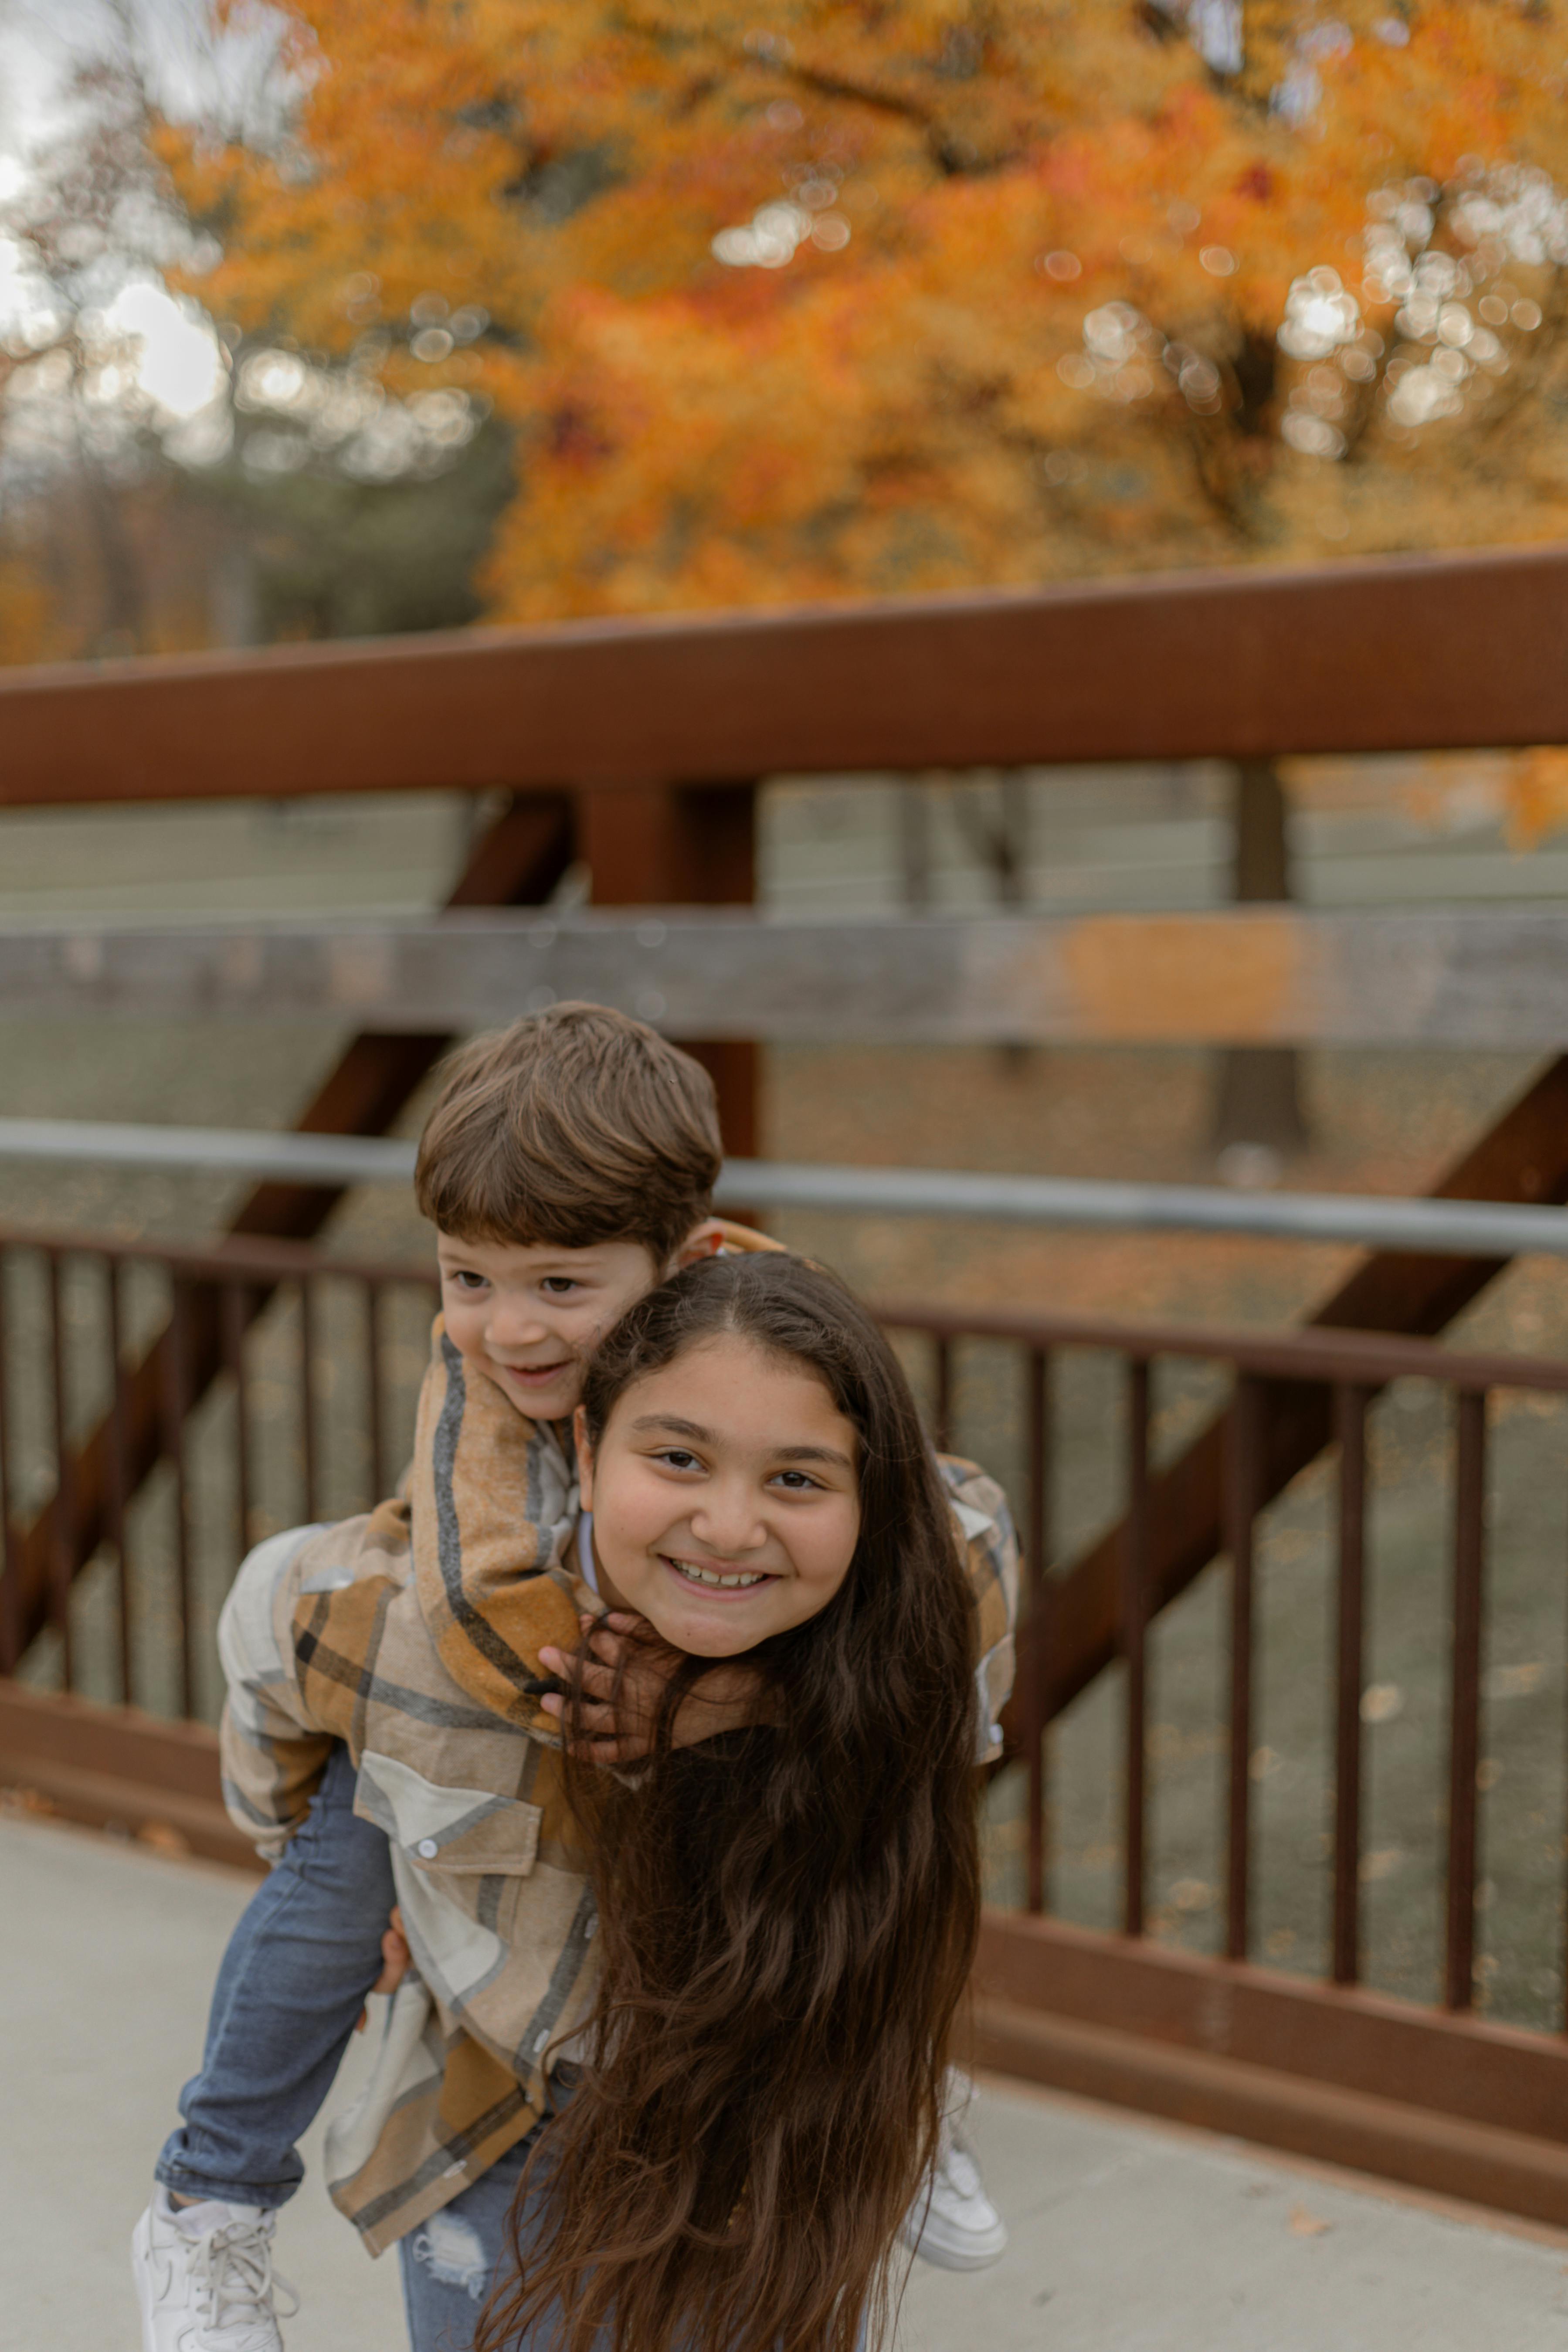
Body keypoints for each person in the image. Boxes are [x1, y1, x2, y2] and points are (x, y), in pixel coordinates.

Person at [131, 1006, 1016, 2351]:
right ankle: (212, 2199)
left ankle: (911, 2089)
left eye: (558, 1284)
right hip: (507, 1958)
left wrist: (741, 1690)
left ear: (686, 1262)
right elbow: (292, 1654)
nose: (508, 1330)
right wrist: (301, 1832)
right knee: (361, 1800)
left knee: (904, 1775)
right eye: (467, 1279)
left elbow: (955, 1643)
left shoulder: (772, 1376)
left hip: (740, 1998)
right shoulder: (453, 1526)